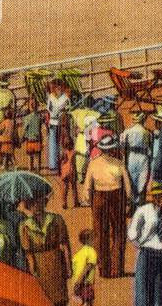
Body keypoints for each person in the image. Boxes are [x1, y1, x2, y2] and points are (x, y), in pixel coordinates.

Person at [83, 135, 131, 279]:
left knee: (100, 233)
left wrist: (88, 199)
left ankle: (104, 269)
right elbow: (128, 188)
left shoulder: (93, 163)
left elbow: (86, 189)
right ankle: (117, 269)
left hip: (99, 197)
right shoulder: (119, 163)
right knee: (118, 232)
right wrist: (128, 200)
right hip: (117, 196)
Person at [18, 193, 72, 306]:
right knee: (43, 298)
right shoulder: (24, 225)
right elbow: (28, 251)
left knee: (60, 298)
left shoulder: (56, 219)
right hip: (38, 264)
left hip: (56, 260)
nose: (36, 206)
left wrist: (68, 266)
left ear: (44, 203)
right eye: (32, 203)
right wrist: (32, 268)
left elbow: (64, 244)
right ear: (28, 206)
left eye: (39, 202)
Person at [121, 110, 153, 207]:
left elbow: (122, 144)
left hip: (132, 156)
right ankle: (140, 203)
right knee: (142, 178)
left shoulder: (128, 131)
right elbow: (150, 146)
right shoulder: (147, 132)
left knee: (132, 178)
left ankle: (133, 203)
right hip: (143, 157)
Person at [69, 228, 98, 306]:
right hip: (85, 282)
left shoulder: (79, 253)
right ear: (89, 240)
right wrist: (81, 281)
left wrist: (76, 282)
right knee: (88, 304)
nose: (96, 240)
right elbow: (88, 267)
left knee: (80, 302)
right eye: (94, 238)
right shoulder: (91, 252)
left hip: (77, 281)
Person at [45, 78, 71, 173]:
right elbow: (48, 110)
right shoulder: (51, 97)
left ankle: (61, 163)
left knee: (62, 143)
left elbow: (68, 110)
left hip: (62, 123)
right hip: (53, 122)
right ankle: (53, 165)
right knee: (52, 143)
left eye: (59, 87)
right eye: (56, 88)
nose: (57, 89)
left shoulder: (65, 98)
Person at [57, 112, 79, 209]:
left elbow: (59, 161)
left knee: (65, 188)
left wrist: (59, 170)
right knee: (74, 187)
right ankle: (75, 202)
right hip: (72, 171)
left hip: (64, 171)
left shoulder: (64, 152)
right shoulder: (73, 152)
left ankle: (64, 202)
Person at [21, 101, 45, 172]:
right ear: (37, 107)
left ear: (30, 107)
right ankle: (38, 171)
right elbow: (41, 128)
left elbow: (24, 130)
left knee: (30, 157)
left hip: (29, 140)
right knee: (37, 157)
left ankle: (30, 170)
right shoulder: (39, 117)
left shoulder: (27, 118)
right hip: (37, 140)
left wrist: (22, 138)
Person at [0, 103, 18, 170]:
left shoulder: (4, 122)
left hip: (4, 140)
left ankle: (4, 165)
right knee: (11, 154)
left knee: (4, 154)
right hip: (11, 140)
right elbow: (15, 132)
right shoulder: (13, 122)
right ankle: (14, 165)